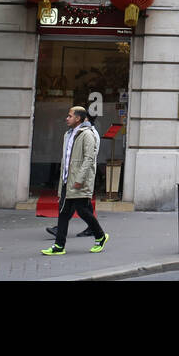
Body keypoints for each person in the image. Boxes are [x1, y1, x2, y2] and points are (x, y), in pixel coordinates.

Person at [42, 105, 108, 255]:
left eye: (70, 116)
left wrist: (79, 179)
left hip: (79, 181)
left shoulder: (88, 134)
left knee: (83, 211)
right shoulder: (68, 134)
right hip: (68, 179)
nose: (67, 118)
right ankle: (59, 246)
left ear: (78, 118)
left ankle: (100, 236)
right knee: (64, 212)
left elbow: (89, 159)